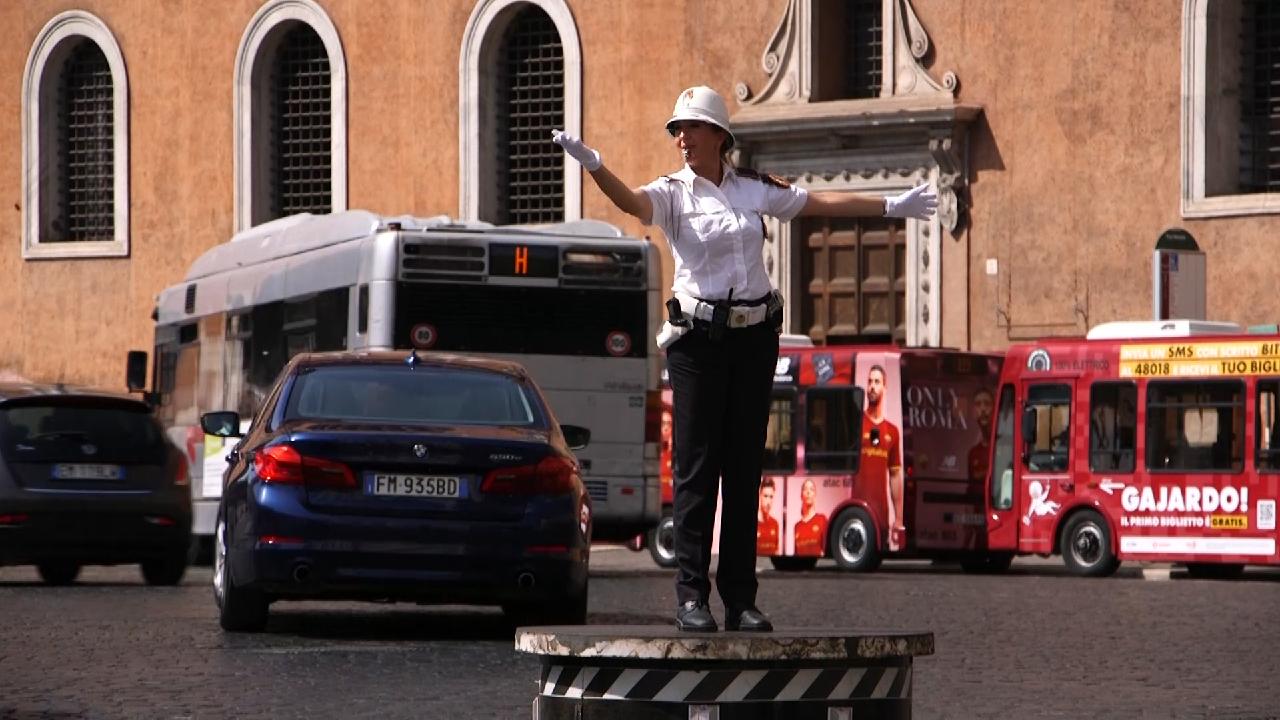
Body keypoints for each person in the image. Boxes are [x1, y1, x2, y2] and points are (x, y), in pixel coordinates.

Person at [552, 85, 936, 633]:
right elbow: (633, 204)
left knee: (743, 470)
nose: (680, 138)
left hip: (754, 340)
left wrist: (891, 205)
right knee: (697, 471)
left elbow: (818, 204)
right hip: (697, 344)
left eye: (690, 127)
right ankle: (691, 596)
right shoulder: (673, 194)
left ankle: (739, 598)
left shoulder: (753, 189)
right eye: (676, 129)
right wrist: (596, 167)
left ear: (718, 135)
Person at [859, 364, 904, 551]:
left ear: (885, 387)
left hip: (881, 513)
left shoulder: (892, 431)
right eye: (869, 381)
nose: (872, 386)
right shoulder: (856, 422)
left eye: (877, 382)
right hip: (857, 505)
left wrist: (899, 518)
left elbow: (895, 476)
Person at [792, 478, 828, 557]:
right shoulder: (797, 526)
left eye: (811, 489)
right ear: (801, 495)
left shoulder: (822, 519)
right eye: (805, 489)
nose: (808, 492)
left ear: (815, 495)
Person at [967, 388, 994, 484]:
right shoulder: (973, 453)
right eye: (978, 404)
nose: (983, 409)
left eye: (987, 404)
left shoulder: (1004, 447)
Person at [756, 478, 780, 556]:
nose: (768, 501)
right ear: (760, 496)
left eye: (771, 497)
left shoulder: (775, 523)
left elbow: (776, 551)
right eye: (765, 496)